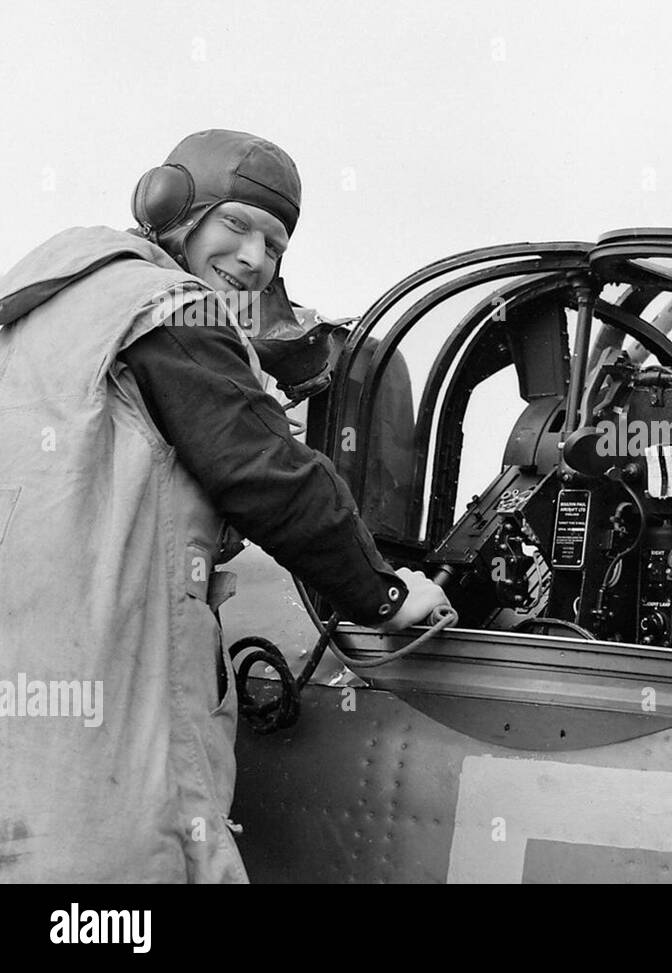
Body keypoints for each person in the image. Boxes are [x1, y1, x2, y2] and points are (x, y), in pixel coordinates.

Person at [0, 129, 449, 883]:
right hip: (118, 697)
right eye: (236, 225)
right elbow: (268, 473)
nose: (252, 259)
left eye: (273, 244)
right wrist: (386, 592)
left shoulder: (43, 312)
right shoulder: (170, 310)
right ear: (173, 207)